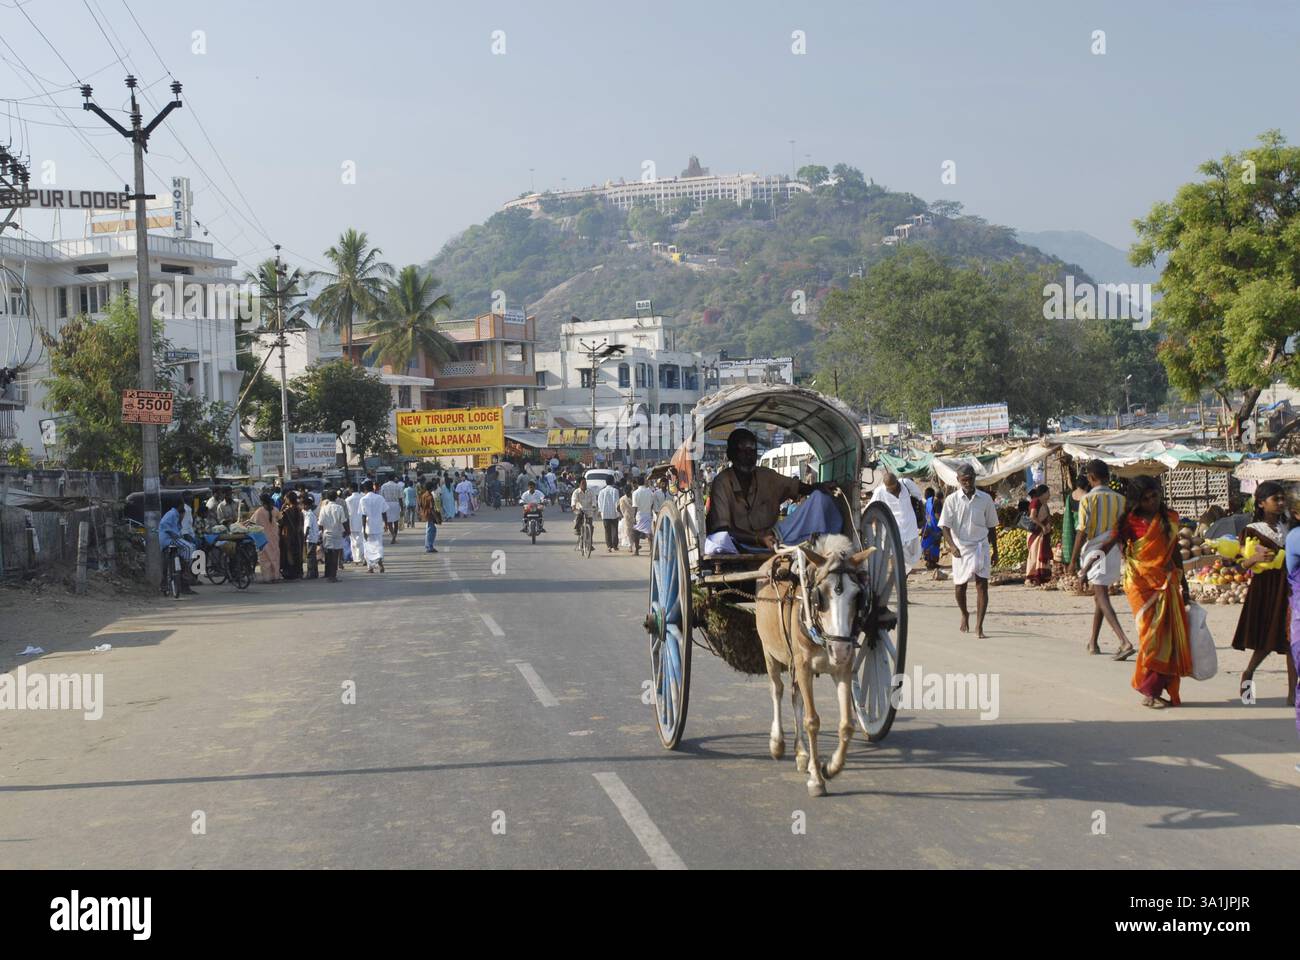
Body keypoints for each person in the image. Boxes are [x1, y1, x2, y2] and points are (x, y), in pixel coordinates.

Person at [1115, 475, 1192, 708]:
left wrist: (1184, 582)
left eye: (1154, 496)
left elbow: (1175, 551)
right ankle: (1149, 689)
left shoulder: (1169, 518)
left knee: (1167, 638)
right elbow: (1115, 543)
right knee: (1150, 637)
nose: (1151, 501)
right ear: (1136, 501)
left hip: (1167, 582)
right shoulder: (1129, 521)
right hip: (1139, 585)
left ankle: (1156, 689)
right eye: (1145, 498)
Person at [705, 427, 838, 551]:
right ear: (731, 454)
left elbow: (798, 487)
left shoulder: (767, 476)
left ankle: (829, 545)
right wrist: (758, 539)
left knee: (820, 497)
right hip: (737, 546)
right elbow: (722, 530)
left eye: (752, 451)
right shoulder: (722, 482)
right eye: (743, 451)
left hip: (774, 541)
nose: (749, 456)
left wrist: (818, 487)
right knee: (721, 538)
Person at [1231, 481, 1296, 705]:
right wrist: (1255, 559)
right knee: (1265, 642)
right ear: (1261, 503)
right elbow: (1239, 565)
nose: (1280, 503)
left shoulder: (1290, 525)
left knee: (1291, 641)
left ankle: (1291, 695)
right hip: (1266, 590)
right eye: (1274, 499)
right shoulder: (1252, 531)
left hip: (1289, 587)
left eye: (1282, 499)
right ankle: (1248, 673)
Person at [1067, 460, 1134, 659]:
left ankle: (1124, 641)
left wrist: (1072, 561)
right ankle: (1093, 642)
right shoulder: (1120, 500)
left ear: (1091, 478)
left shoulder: (1087, 499)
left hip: (1096, 549)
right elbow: (1123, 529)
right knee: (1100, 595)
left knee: (1101, 595)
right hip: (1114, 548)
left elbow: (1081, 531)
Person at [938, 464, 999, 638]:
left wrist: (995, 550)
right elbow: (944, 526)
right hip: (961, 548)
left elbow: (992, 526)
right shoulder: (951, 500)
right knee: (960, 586)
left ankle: (979, 626)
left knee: (982, 585)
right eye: (964, 480)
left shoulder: (986, 499)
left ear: (974, 478)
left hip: (981, 546)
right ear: (958, 480)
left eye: (970, 479)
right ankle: (964, 613)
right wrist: (952, 546)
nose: (968, 482)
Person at [868, 471, 922, 571]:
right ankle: (900, 577)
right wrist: (876, 529)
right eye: (889, 489)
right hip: (893, 530)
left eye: (893, 487)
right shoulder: (879, 491)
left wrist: (921, 517)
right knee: (897, 556)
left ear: (897, 481)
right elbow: (872, 509)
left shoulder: (906, 484)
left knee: (914, 556)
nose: (892, 490)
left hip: (910, 527)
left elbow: (918, 497)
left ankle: (904, 574)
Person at [158, 497, 196, 595]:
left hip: (171, 539)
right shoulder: (172, 514)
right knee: (190, 547)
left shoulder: (176, 515)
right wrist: (172, 533)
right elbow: (164, 525)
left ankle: (183, 565)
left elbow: (178, 529)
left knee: (187, 548)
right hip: (168, 540)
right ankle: (186, 569)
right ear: (180, 505)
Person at [1059, 473, 1091, 569]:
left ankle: (1075, 567)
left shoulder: (1070, 496)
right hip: (1084, 525)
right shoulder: (1087, 496)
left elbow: (1068, 512)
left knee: (1074, 546)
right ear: (1086, 485)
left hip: (1073, 524)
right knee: (1084, 548)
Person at [317, 489, 349, 582]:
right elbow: (344, 521)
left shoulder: (324, 508)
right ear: (336, 497)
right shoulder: (339, 508)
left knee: (328, 555)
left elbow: (320, 523)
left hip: (327, 533)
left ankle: (328, 574)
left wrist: (319, 533)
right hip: (337, 533)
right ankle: (333, 576)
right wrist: (347, 531)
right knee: (335, 555)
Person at [1024, 484, 1053, 585]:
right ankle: (1030, 577)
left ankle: (1041, 577)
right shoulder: (1036, 502)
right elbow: (1032, 516)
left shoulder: (1044, 503)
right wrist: (1043, 526)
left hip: (1042, 533)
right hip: (1035, 533)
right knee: (1034, 554)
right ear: (1043, 493)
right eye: (1048, 492)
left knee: (1041, 553)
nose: (1049, 494)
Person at [251, 493, 282, 584]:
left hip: (263, 538)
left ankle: (267, 578)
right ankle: (275, 577)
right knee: (275, 557)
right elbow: (280, 519)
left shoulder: (259, 511)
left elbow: (252, 522)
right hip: (274, 537)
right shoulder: (275, 510)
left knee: (265, 558)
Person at [359, 480, 388, 573]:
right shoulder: (380, 498)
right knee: (378, 546)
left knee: (368, 547)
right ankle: (380, 564)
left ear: (365, 489)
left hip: (368, 527)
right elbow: (384, 512)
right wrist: (386, 524)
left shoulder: (363, 499)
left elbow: (363, 515)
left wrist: (363, 529)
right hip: (378, 526)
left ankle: (370, 567)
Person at [279, 491, 305, 580]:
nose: (284, 499)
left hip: (288, 535)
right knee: (298, 553)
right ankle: (298, 572)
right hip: (298, 535)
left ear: (289, 499)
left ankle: (290, 572)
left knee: (288, 554)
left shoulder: (287, 511)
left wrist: (282, 509)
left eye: (286, 498)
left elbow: (280, 522)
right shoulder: (299, 509)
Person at [921, 487, 943, 572]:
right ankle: (932, 563)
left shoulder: (927, 502)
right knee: (935, 545)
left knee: (928, 544)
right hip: (935, 527)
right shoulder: (937, 502)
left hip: (928, 526)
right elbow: (938, 515)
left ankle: (929, 562)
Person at [344, 484, 365, 568]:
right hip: (361, 521)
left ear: (351, 489)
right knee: (362, 541)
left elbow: (347, 513)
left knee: (353, 542)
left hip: (352, 522)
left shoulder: (348, 500)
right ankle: (363, 558)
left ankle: (356, 559)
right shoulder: (362, 497)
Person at [571, 476, 598, 541]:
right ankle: (577, 528)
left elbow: (594, 499)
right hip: (579, 509)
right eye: (583, 483)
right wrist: (574, 506)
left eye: (585, 483)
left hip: (589, 509)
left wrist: (594, 505)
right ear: (579, 484)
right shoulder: (576, 492)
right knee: (579, 515)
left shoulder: (590, 491)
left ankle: (590, 543)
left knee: (590, 527)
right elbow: (574, 500)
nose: (585, 484)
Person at [598, 478, 621, 552]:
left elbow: (599, 502)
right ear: (613, 482)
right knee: (615, 530)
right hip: (614, 513)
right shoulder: (615, 491)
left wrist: (600, 511)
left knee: (607, 530)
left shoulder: (601, 491)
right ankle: (615, 546)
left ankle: (609, 546)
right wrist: (619, 512)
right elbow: (617, 502)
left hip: (605, 514)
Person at [301, 492, 320, 579]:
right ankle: (315, 573)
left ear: (307, 505)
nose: (303, 507)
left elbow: (307, 527)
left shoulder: (309, 514)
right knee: (313, 556)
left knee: (310, 556)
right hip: (313, 537)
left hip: (310, 538)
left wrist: (304, 538)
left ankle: (310, 573)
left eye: (304, 505)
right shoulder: (311, 514)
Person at [380, 474, 403, 543]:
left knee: (389, 521)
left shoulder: (383, 486)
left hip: (387, 504)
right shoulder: (398, 486)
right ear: (394, 478)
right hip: (396, 504)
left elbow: (382, 497)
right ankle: (394, 537)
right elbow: (400, 498)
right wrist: (402, 508)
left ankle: (393, 535)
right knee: (396, 522)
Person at [419, 480, 441, 553]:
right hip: (430, 515)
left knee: (430, 530)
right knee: (431, 531)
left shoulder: (423, 495)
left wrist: (422, 513)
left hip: (425, 513)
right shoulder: (430, 496)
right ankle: (429, 546)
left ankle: (429, 545)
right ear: (431, 488)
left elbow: (420, 505)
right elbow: (431, 509)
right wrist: (437, 518)